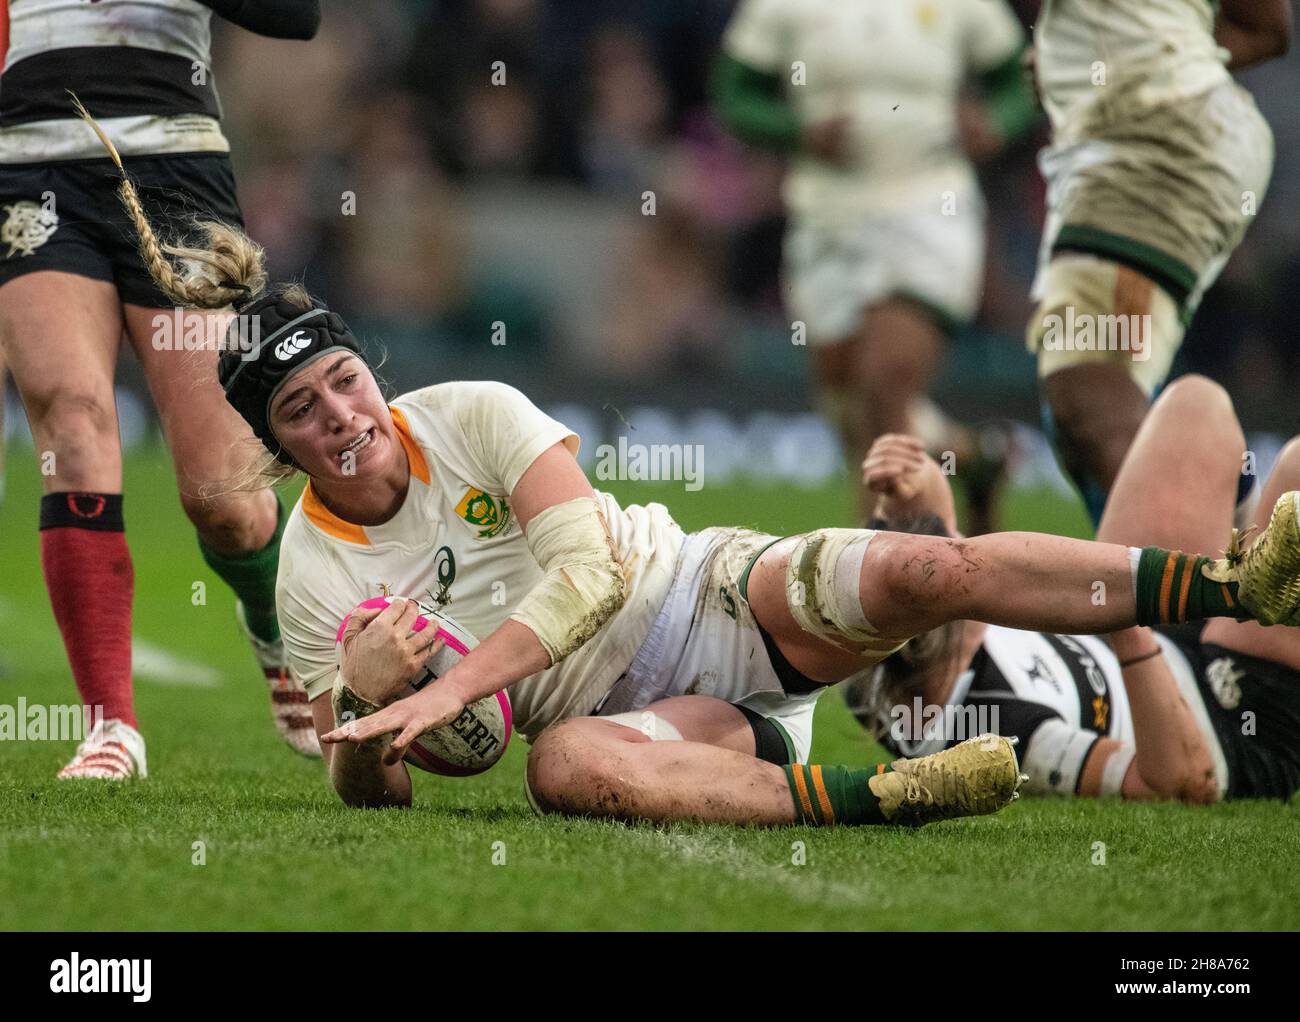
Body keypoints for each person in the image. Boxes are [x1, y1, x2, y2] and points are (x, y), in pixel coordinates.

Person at [95, 121, 1300, 827]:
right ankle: (875, 797)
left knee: (936, 568)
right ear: (278, 443)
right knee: (564, 771)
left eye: (345, 381)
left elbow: (580, 569)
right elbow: (376, 794)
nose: (343, 416)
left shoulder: (464, 408)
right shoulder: (310, 573)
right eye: (303, 411)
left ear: (371, 368)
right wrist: (363, 716)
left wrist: (449, 690)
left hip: (706, 591)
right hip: (651, 724)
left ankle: (1231, 586)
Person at [0, 0, 323, 778]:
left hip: (172, 162)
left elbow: (296, 16)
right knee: (71, 423)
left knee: (227, 501)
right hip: (26, 159)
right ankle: (111, 727)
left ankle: (270, 623)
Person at [846, 375, 1300, 802]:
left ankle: (1234, 567)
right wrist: (1124, 615)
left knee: (1196, 405)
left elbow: (927, 538)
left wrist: (907, 473)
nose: (957, 547)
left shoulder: (890, 662)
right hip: (1227, 719)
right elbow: (1180, 778)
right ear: (937, 614)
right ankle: (1241, 585)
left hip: (1151, 638)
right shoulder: (997, 731)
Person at [711, 0, 1038, 528]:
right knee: (849, 403)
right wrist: (797, 130)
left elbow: (1019, 75)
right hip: (826, 214)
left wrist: (995, 122)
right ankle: (971, 457)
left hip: (929, 205)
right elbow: (734, 94)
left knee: (884, 382)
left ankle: (876, 567)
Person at [1026, 0, 1290, 526]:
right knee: (1083, 401)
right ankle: (1241, 554)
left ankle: (1237, 590)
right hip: (1157, 132)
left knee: (1090, 399)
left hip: (1152, 139)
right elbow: (1268, 28)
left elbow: (1268, 30)